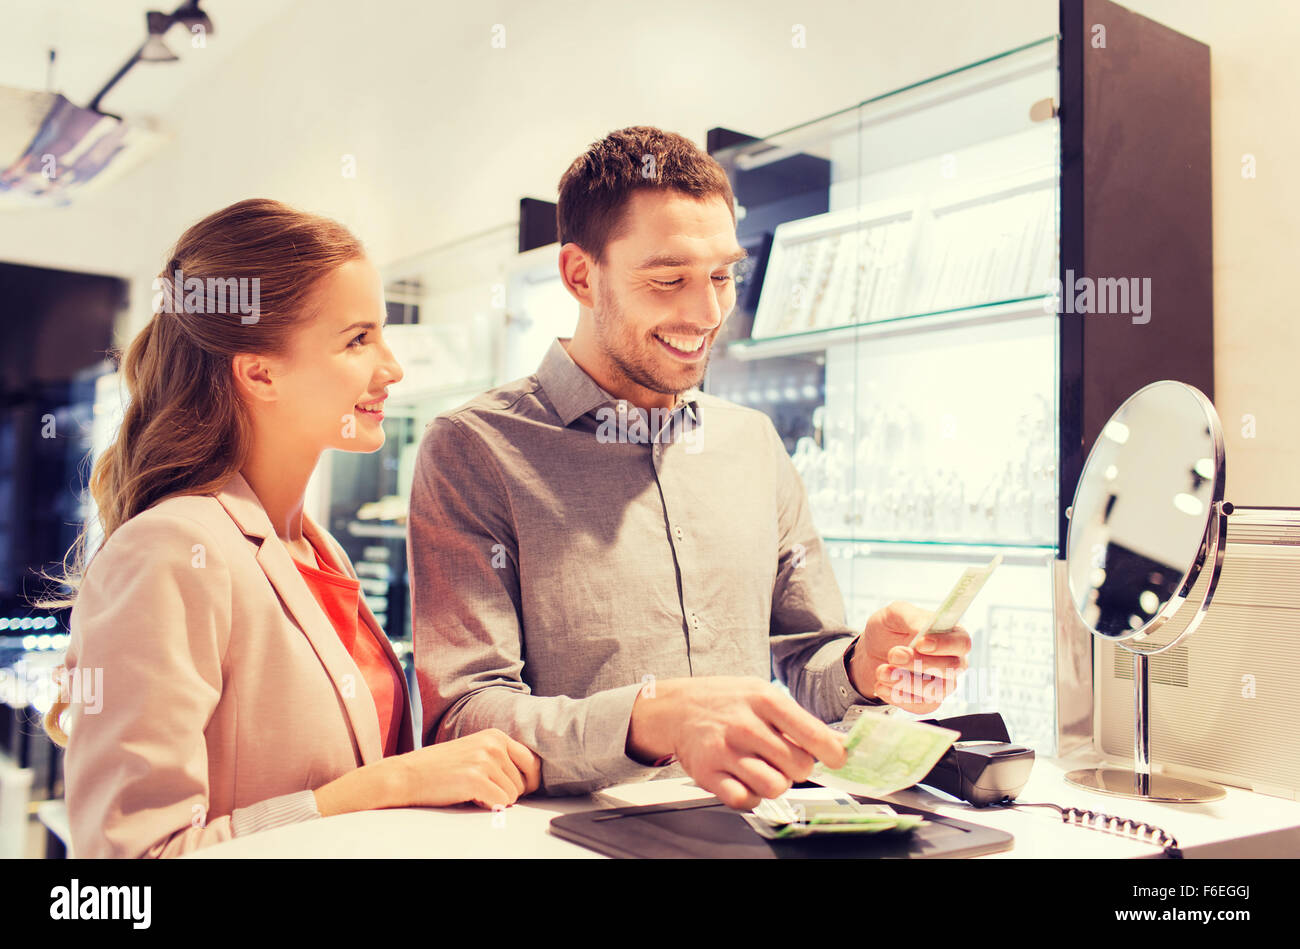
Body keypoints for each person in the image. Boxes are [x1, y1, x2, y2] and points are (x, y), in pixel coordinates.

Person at [408, 127, 971, 810]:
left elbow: (807, 658)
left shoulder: (752, 443)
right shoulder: (474, 449)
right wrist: (653, 715)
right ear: (580, 275)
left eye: (722, 276)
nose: (706, 314)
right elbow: (465, 716)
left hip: (756, 832)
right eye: (669, 278)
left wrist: (864, 665)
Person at [44, 198, 539, 858]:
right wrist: (383, 786)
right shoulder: (170, 551)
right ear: (258, 372)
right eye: (357, 339)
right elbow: (129, 860)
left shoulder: (315, 548)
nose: (391, 368)